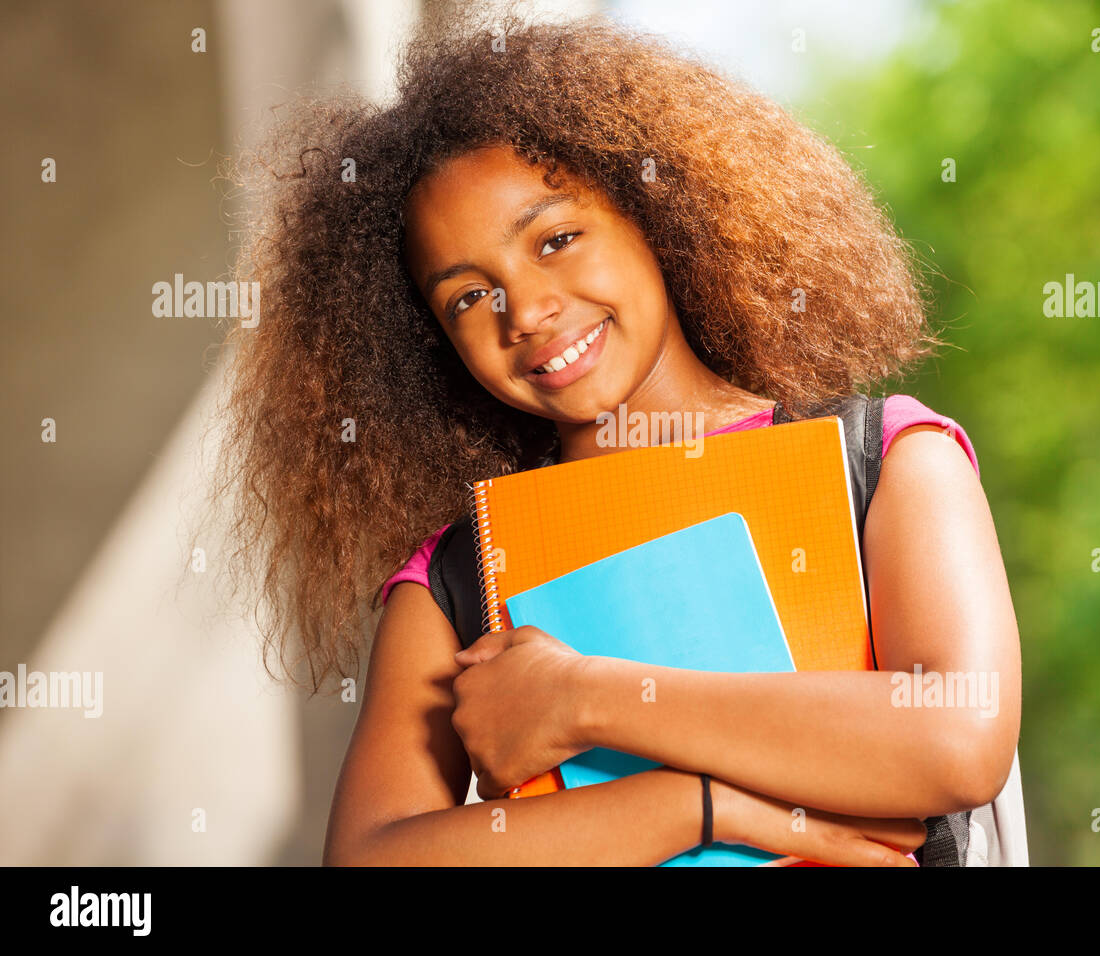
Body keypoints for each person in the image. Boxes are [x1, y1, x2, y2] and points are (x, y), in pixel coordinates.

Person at [207, 8, 1022, 866]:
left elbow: (958, 737)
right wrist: (700, 808)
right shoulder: (457, 579)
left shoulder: (885, 460)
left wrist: (583, 698)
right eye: (467, 298)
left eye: (556, 239)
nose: (526, 311)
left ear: (654, 211)